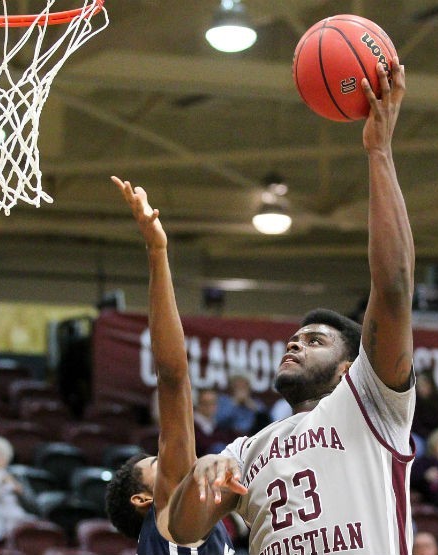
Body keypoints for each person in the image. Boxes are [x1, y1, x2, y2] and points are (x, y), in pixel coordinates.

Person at [168, 62, 416, 554]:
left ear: (350, 368)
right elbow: (183, 531)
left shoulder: (369, 401)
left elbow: (393, 288)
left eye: (315, 340)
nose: (296, 343)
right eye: (295, 339)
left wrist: (378, 151)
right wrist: (198, 475)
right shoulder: (246, 449)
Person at [103, 176, 234, 554]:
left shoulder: (188, 533)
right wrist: (156, 251)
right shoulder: (173, 523)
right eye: (162, 461)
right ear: (146, 500)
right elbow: (173, 379)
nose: (179, 456)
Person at [0, 436, 36, 542]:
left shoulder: (16, 476)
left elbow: (33, 505)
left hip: (16, 513)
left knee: (32, 531)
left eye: (0, 456)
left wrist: (20, 491)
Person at [215, 372, 270, 436]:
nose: (241, 389)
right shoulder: (224, 400)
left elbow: (267, 421)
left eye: (244, 386)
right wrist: (234, 403)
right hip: (228, 436)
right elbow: (219, 421)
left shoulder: (256, 402)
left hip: (251, 436)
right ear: (232, 388)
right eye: (238, 386)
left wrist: (254, 407)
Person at [412, 370, 438, 457]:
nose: (422, 388)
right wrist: (429, 436)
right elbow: (415, 425)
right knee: (417, 447)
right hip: (421, 436)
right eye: (419, 385)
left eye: (424, 384)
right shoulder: (414, 401)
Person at [193, 388, 233, 457]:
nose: (209, 406)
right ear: (198, 404)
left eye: (212, 403)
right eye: (205, 403)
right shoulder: (193, 426)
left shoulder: (219, 425)